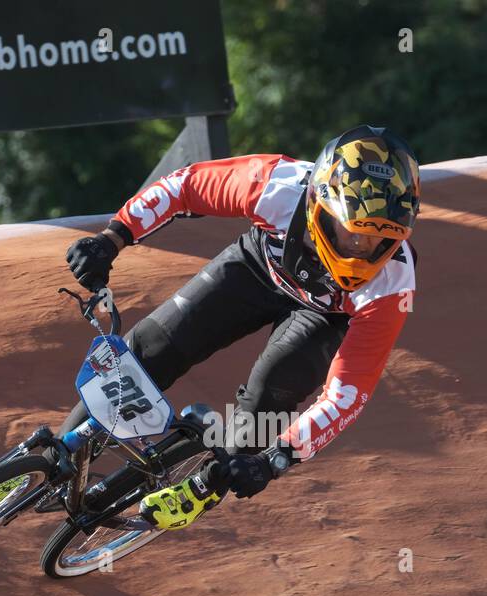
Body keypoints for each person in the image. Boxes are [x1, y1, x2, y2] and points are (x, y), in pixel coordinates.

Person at [62, 124, 419, 529]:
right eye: (351, 231)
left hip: (325, 316)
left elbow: (347, 396)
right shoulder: (278, 186)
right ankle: (60, 454)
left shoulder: (393, 286)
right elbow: (184, 186)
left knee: (266, 402)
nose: (360, 250)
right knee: (149, 348)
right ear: (319, 202)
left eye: (378, 241)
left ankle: (205, 485)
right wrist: (113, 237)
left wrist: (275, 460)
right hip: (258, 268)